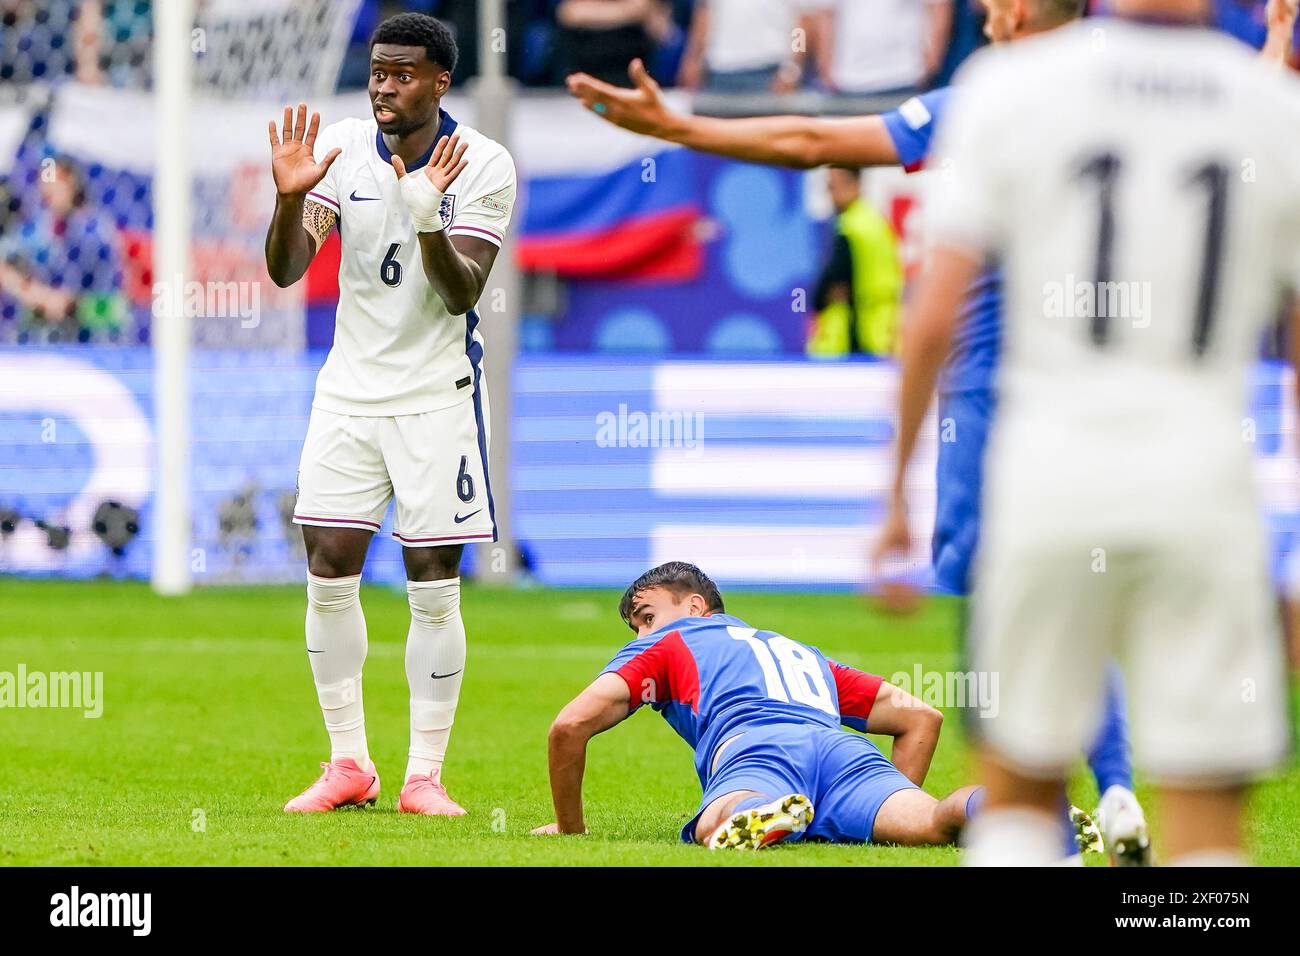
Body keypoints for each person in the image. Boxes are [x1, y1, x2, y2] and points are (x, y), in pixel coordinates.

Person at [564, 0, 1185, 866]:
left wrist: (680, 125)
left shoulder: (989, 96)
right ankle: (1113, 781)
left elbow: (814, 144)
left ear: (1011, 9)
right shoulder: (1157, 87)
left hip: (1000, 377)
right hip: (1125, 374)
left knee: (1004, 595)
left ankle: (1032, 803)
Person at [879, 0, 1300, 865]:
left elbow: (931, 320)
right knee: (1208, 821)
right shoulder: (1269, 106)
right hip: (1205, 480)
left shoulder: (1010, 86)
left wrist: (892, 500)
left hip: (1049, 474)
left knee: (1022, 791)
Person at [263, 12, 517, 816]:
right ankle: (349, 766)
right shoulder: (337, 150)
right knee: (328, 571)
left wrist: (426, 210)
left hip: (434, 399)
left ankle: (423, 777)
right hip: (348, 394)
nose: (384, 86)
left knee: (433, 584)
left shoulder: (483, 163)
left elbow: (462, 291)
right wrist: (288, 198)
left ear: (440, 82)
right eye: (378, 71)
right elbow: (285, 270)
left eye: (403, 73)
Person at [530, 562, 981, 848]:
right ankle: (994, 805)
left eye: (647, 617)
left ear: (694, 605)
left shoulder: (670, 642)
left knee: (718, 824)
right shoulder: (799, 652)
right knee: (933, 823)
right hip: (845, 753)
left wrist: (570, 830)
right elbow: (921, 716)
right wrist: (879, 802)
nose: (642, 636)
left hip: (757, 748)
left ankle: (755, 810)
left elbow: (569, 726)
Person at [807, 165, 902, 357]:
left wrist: (819, 299)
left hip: (856, 338)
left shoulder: (850, 228)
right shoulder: (875, 223)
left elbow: (832, 283)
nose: (831, 193)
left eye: (834, 186)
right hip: (883, 334)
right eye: (829, 186)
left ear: (856, 184)